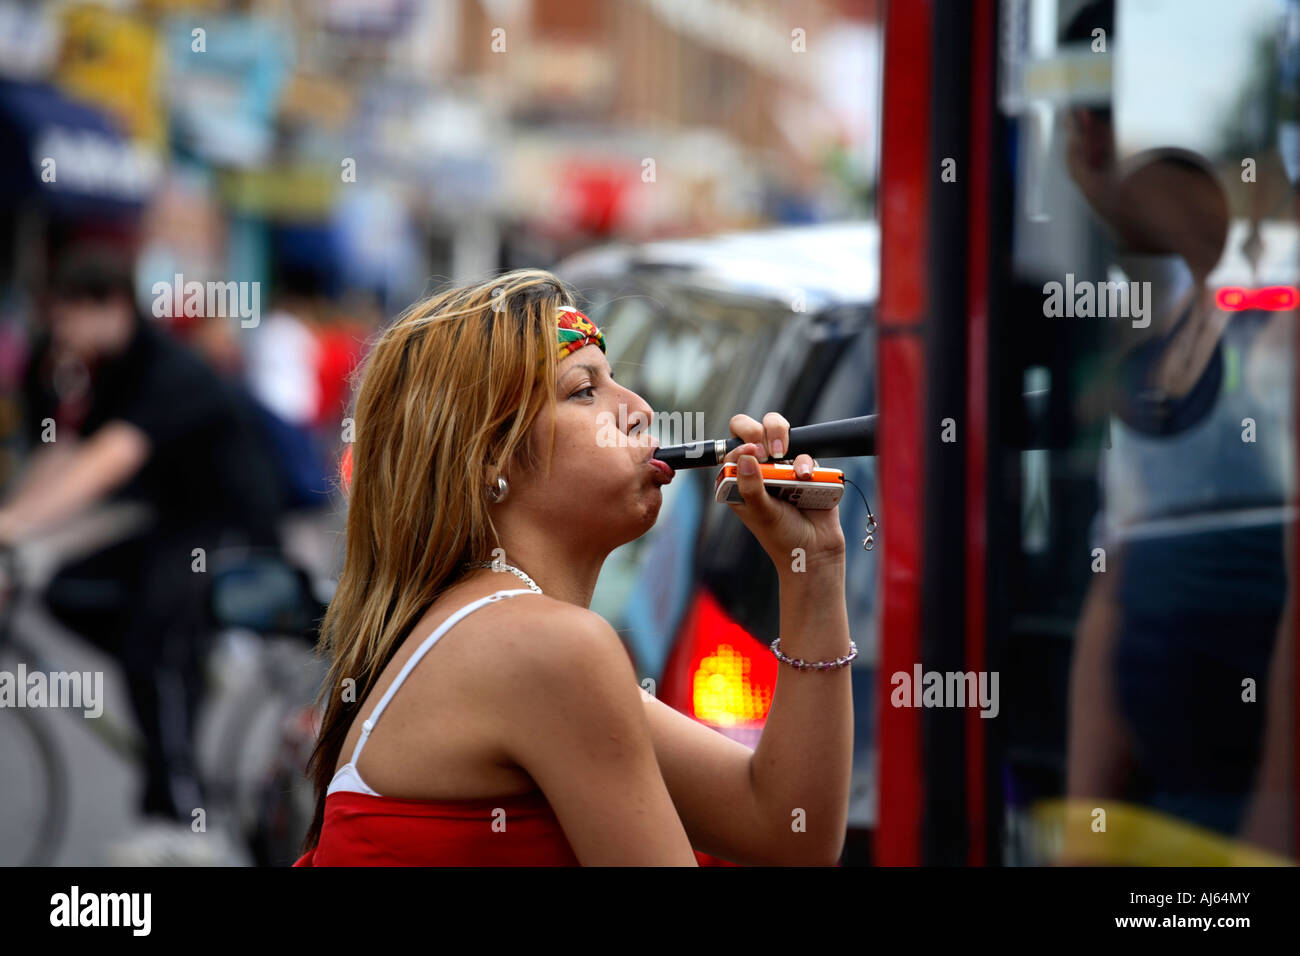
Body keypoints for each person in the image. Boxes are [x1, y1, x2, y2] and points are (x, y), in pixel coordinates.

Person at [296, 269, 853, 866]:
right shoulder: (547, 650)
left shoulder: (510, 639)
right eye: (584, 391)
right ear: (487, 456)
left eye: (616, 382)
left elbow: (788, 833)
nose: (639, 410)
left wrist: (813, 568)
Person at [0, 245, 284, 863]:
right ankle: (185, 666)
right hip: (172, 527)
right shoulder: (108, 369)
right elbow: (68, 456)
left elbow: (111, 461)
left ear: (111, 307)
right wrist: (14, 520)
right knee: (68, 591)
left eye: (70, 317)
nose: (61, 333)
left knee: (154, 648)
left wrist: (11, 527)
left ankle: (186, 823)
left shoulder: (168, 368)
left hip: (229, 529)